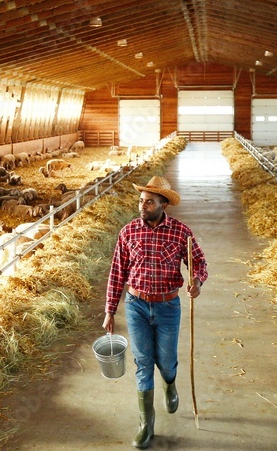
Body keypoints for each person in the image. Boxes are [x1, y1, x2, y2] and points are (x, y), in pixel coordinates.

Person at [103, 175, 208, 449]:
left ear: (164, 204)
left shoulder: (181, 232)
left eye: (149, 201)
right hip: (136, 304)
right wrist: (110, 310)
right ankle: (146, 424)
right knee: (143, 362)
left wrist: (196, 281)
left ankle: (170, 384)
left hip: (167, 306)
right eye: (141, 200)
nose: (143, 206)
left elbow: (198, 261)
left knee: (166, 359)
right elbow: (117, 273)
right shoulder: (127, 232)